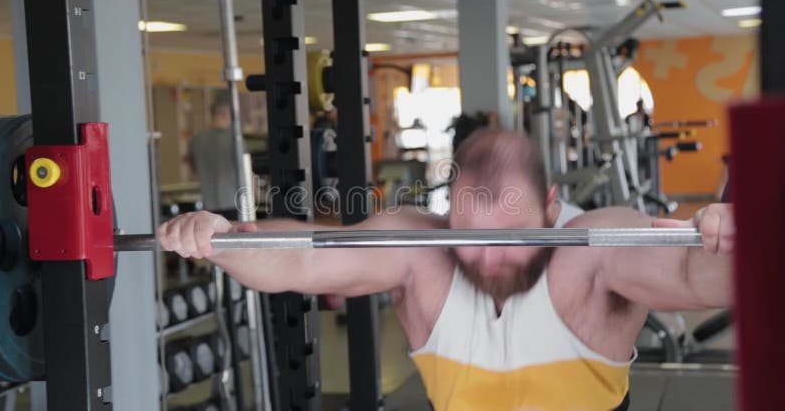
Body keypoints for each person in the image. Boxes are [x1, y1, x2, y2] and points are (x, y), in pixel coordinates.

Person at [160, 129, 733, 411]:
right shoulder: (422, 250)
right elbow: (306, 257)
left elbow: (694, 277)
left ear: (553, 206)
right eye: (470, 234)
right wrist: (220, 238)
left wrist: (738, 240)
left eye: (510, 237)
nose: (485, 258)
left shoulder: (596, 251)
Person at [188, 93, 240, 217]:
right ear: (228, 113)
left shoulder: (197, 139)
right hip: (234, 202)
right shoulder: (235, 138)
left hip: (209, 204)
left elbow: (193, 168)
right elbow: (243, 168)